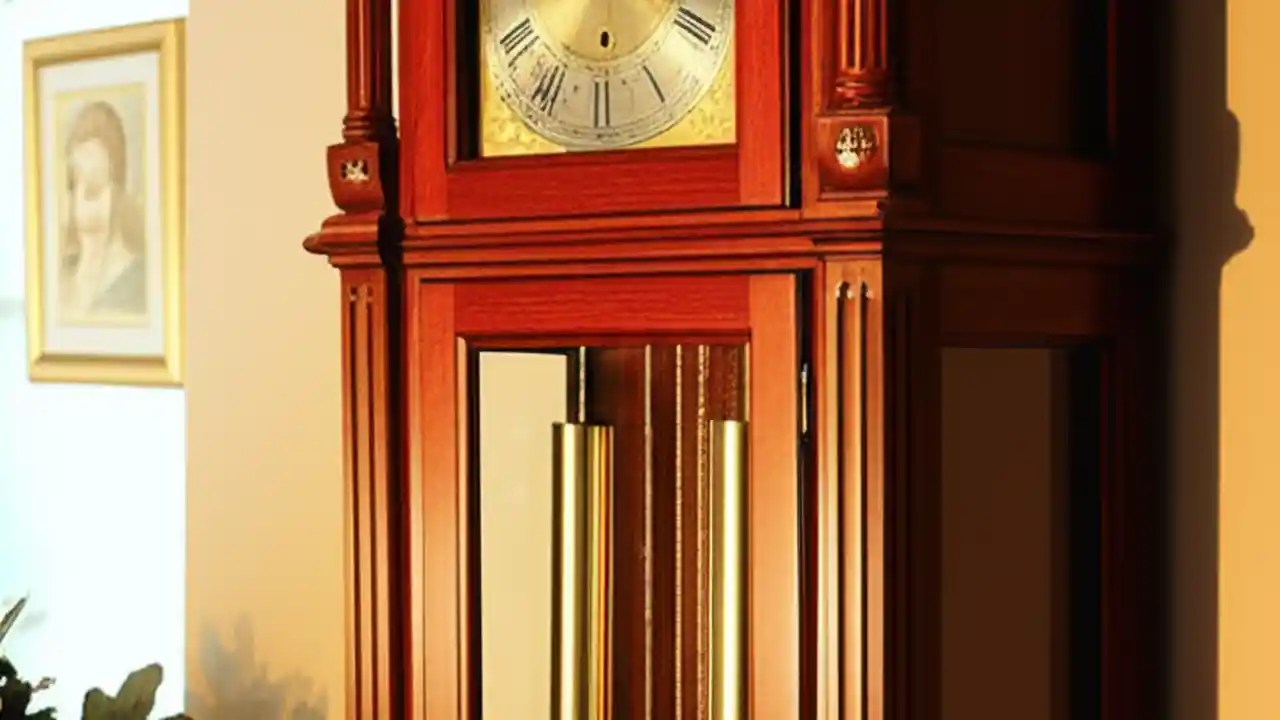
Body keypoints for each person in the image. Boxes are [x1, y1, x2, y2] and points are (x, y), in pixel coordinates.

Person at [58, 99, 146, 322]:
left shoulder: (138, 280)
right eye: (73, 185)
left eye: (94, 188)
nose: (80, 207)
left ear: (117, 191)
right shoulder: (62, 277)